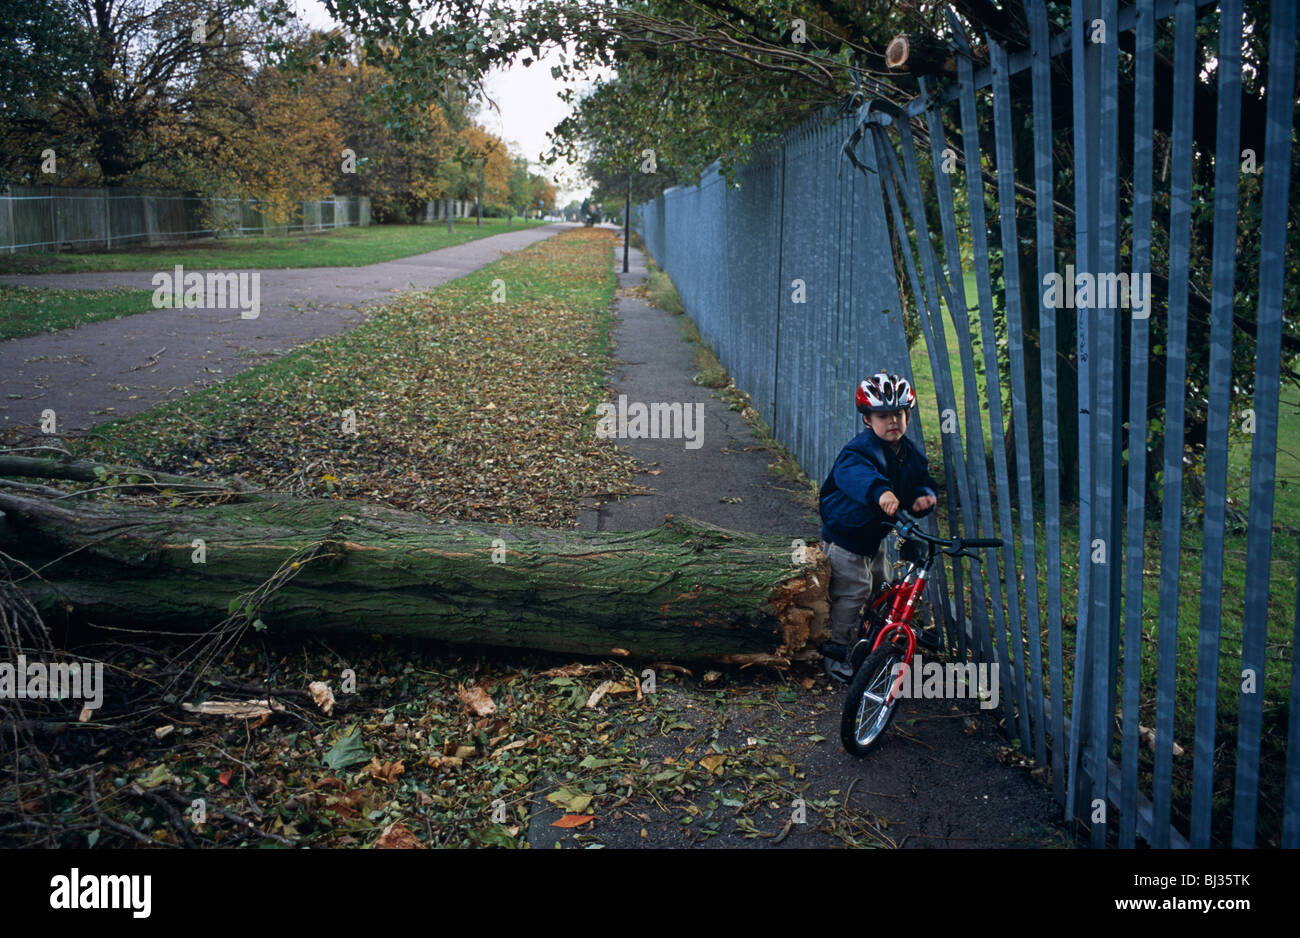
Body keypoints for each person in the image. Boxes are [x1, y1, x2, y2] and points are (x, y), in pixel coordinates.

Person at [818, 372, 939, 682]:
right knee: (852, 592)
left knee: (880, 586)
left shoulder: (908, 454)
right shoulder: (860, 451)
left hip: (874, 537)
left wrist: (923, 497)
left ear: (908, 415)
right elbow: (855, 476)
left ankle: (869, 641)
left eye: (898, 414)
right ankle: (836, 652)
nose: (892, 421)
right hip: (846, 537)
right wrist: (880, 492)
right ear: (868, 421)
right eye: (882, 416)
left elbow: (918, 482)